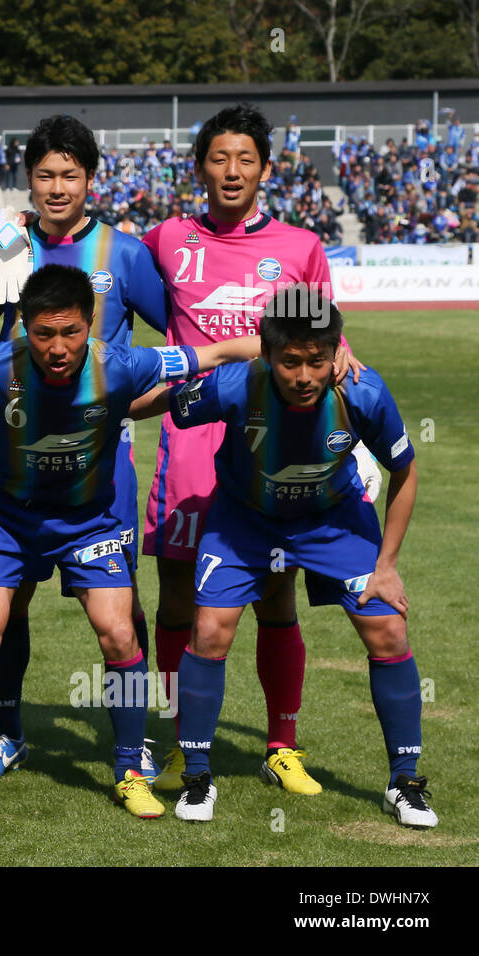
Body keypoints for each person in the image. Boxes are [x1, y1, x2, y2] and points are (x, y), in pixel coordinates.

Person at [0, 263, 258, 817]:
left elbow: (216, 353)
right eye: (43, 333)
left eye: (71, 332)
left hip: (87, 523)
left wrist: (317, 352)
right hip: (4, 521)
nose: (57, 348)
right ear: (23, 328)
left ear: (90, 323)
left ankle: (129, 770)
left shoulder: (123, 364)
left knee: (120, 634)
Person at [130, 288, 434, 828]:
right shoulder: (234, 384)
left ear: (337, 353)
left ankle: (404, 783)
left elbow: (404, 473)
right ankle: (197, 776)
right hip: (244, 521)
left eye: (317, 361)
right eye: (290, 362)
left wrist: (386, 567)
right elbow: (162, 403)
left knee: (388, 630)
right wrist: (98, 409)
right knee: (210, 630)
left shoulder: (363, 393)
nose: (304, 376)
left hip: (333, 521)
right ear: (266, 354)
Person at [140, 104, 361, 796]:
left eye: (245, 160)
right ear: (199, 167)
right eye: (219, 158)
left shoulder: (300, 247)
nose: (231, 171)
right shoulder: (166, 239)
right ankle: (179, 739)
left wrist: (342, 358)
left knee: (275, 590)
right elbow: (101, 268)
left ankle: (281, 745)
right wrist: (17, 226)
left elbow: (324, 342)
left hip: (272, 438)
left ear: (265, 169)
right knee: (178, 591)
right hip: (190, 436)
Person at [0, 114, 168, 781]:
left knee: (120, 609)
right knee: (7, 602)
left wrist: (133, 400)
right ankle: (9, 732)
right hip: (20, 461)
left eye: (70, 175)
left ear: (90, 180)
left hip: (103, 463)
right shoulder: (8, 244)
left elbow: (179, 332)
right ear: (28, 180)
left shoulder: (123, 254)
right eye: (45, 175)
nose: (57, 188)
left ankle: (133, 742)